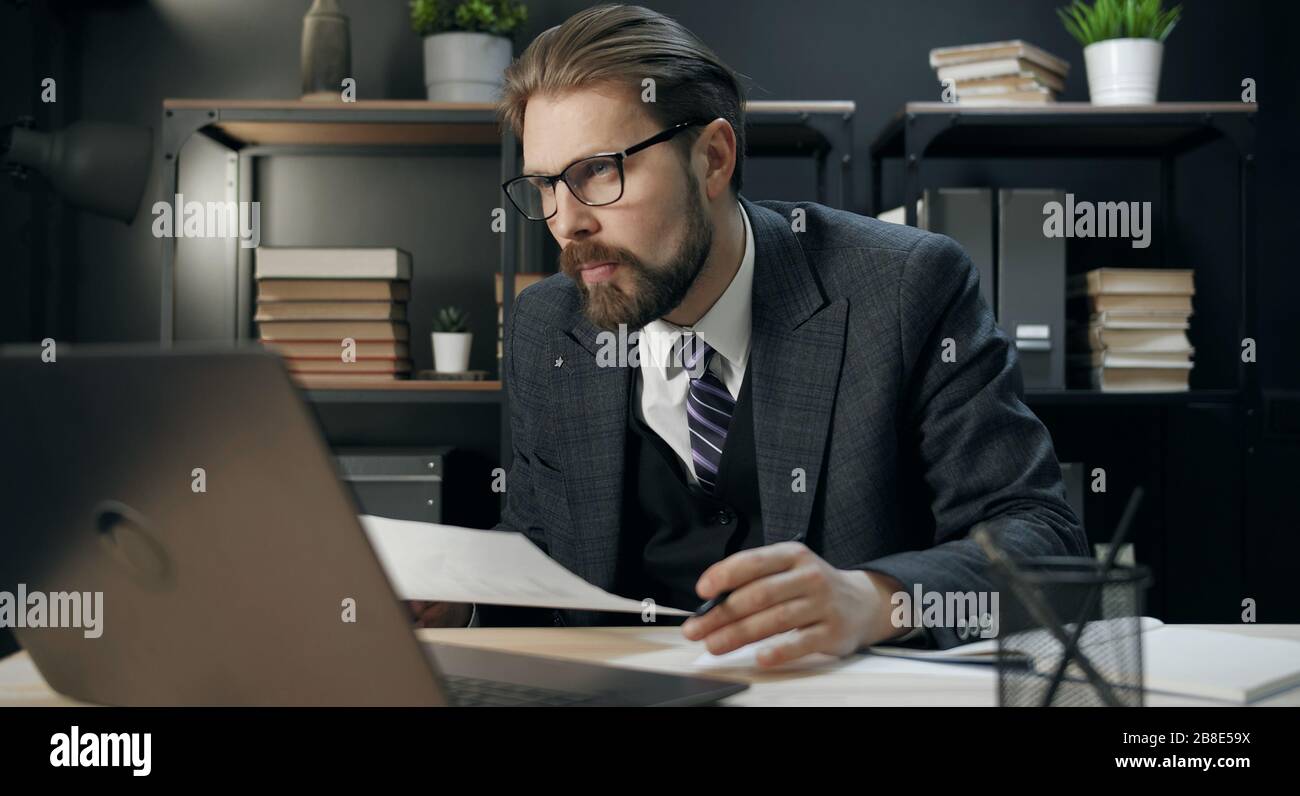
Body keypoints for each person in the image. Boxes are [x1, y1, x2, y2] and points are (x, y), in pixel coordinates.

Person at [412, 4, 1086, 665]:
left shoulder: (906, 287)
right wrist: (463, 604)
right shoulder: (546, 326)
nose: (566, 222)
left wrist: (877, 599)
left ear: (712, 158)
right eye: (545, 185)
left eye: (598, 171)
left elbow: (1044, 542)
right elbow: (542, 553)